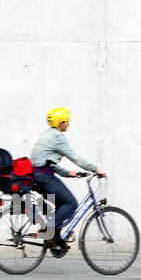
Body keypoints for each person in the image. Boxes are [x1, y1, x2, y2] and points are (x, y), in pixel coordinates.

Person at [30, 107, 106, 258]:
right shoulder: (58, 136)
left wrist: (68, 173)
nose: (69, 124)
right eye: (67, 121)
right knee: (71, 204)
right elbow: (75, 157)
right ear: (61, 122)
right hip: (44, 177)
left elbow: (46, 161)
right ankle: (47, 232)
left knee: (60, 204)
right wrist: (95, 169)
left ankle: (55, 240)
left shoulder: (47, 134)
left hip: (37, 175)